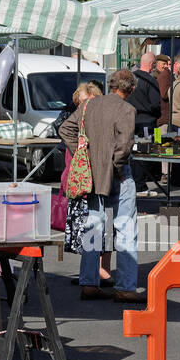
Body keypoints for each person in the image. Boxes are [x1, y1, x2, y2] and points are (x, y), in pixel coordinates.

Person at [59, 68, 139, 302]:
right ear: (131, 89)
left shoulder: (89, 105)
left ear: (111, 85)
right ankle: (125, 287)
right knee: (125, 228)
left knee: (93, 225)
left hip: (93, 172)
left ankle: (89, 283)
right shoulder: (127, 109)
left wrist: (83, 154)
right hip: (117, 173)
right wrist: (113, 166)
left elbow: (65, 129)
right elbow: (124, 147)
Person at [60, 81, 113, 286]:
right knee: (90, 226)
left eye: (84, 102)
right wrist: (80, 153)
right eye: (79, 103)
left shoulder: (98, 117)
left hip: (94, 178)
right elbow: (65, 132)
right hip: (81, 181)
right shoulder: (77, 123)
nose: (81, 107)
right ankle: (91, 272)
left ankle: (99, 271)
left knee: (101, 224)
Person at [127, 51, 162, 190]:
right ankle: (140, 183)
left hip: (131, 121)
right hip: (147, 122)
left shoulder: (131, 79)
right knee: (145, 151)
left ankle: (136, 181)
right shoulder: (150, 81)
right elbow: (155, 104)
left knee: (134, 151)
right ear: (152, 64)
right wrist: (157, 114)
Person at [154, 55, 172, 127]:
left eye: (166, 64)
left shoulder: (162, 75)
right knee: (158, 137)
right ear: (157, 64)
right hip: (160, 116)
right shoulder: (157, 76)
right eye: (163, 64)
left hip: (160, 116)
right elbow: (164, 94)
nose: (165, 66)